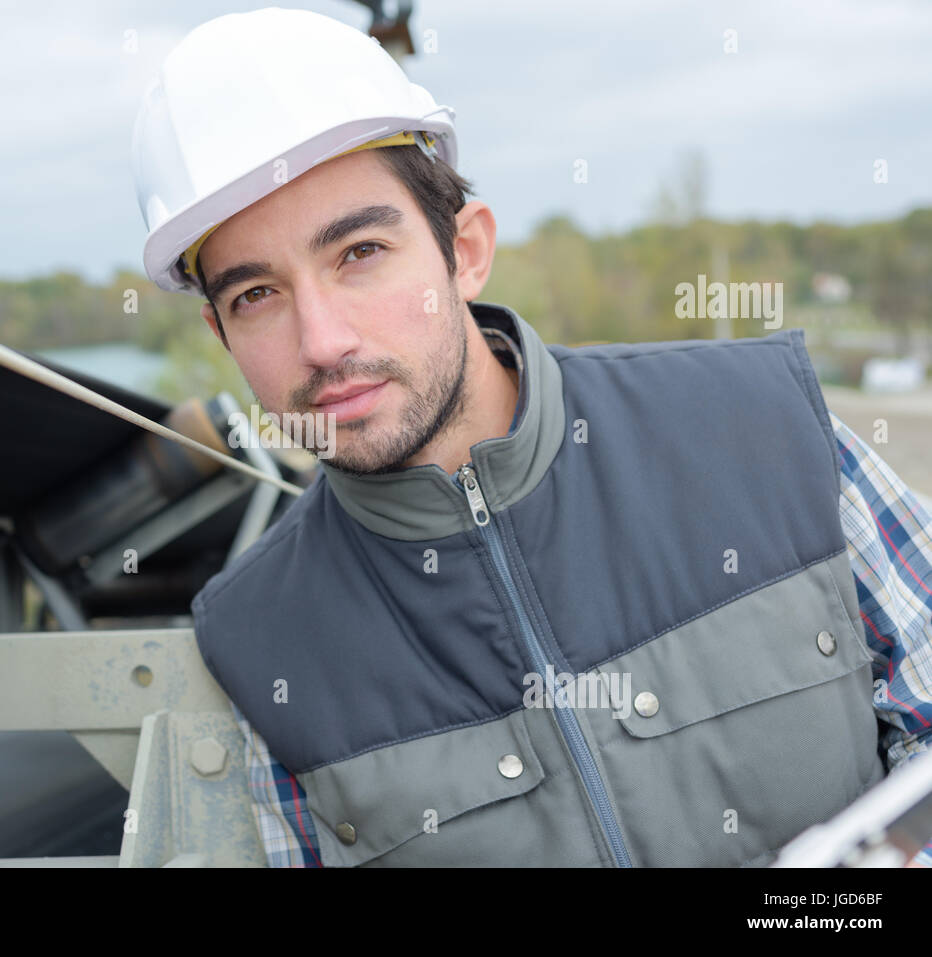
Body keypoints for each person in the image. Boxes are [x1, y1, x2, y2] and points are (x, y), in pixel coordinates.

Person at [131, 7, 932, 867]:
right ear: (222, 334)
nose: (322, 341)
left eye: (359, 252)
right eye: (258, 295)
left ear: (464, 252)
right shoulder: (265, 639)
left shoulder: (763, 427)